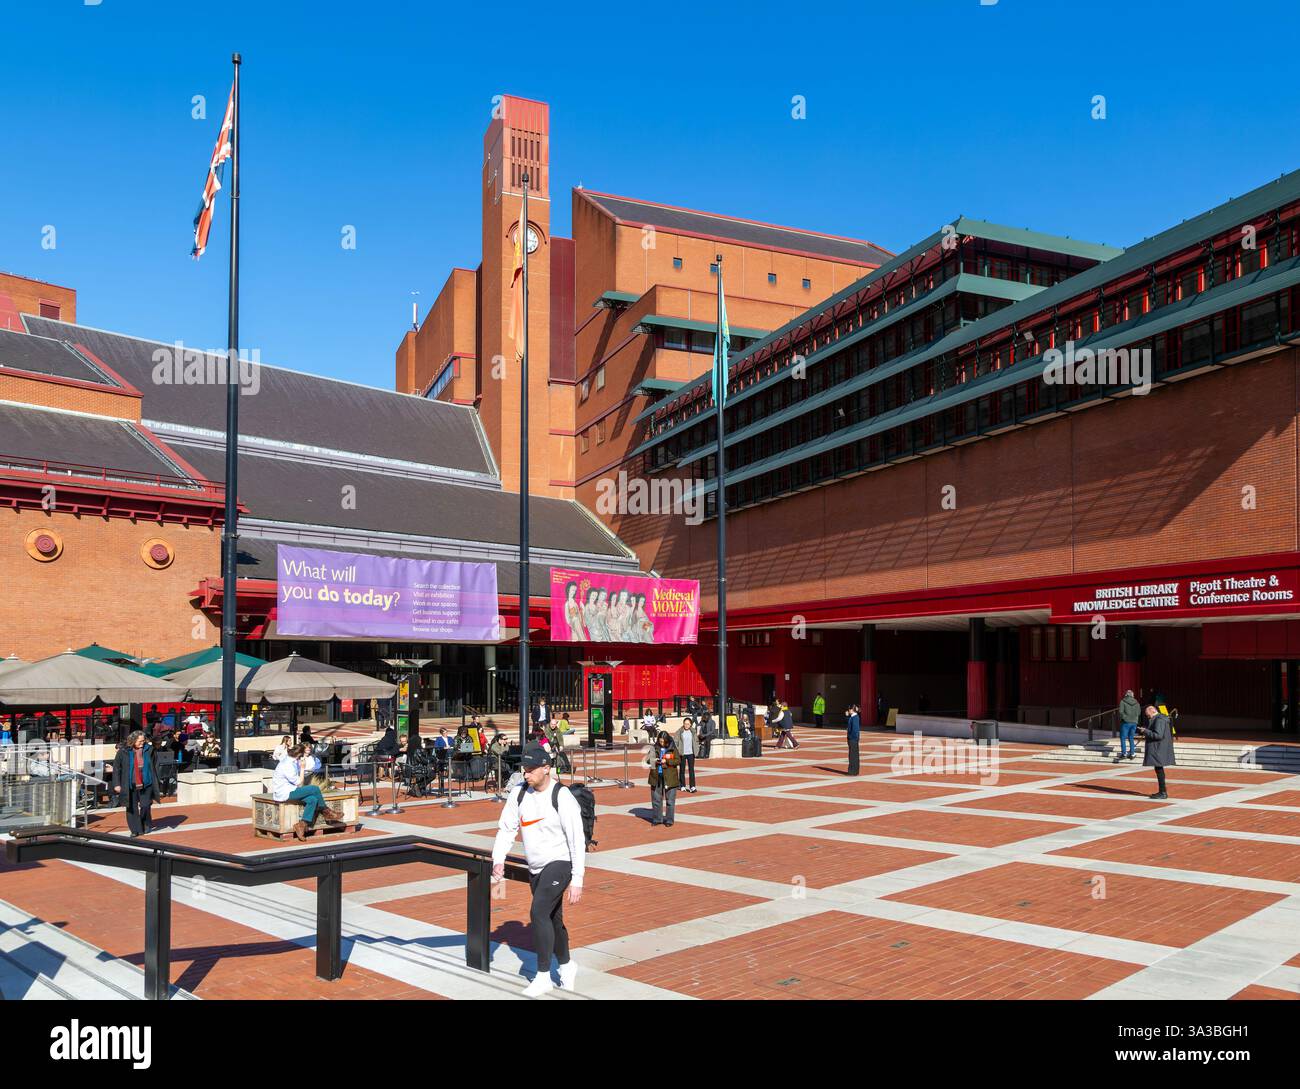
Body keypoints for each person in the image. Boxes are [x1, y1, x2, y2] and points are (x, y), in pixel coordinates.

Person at [492, 744, 585, 997]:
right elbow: (507, 829)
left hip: (561, 862)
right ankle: (567, 966)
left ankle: (542, 976)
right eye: (524, 769)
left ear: (547, 768)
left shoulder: (562, 796)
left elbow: (577, 840)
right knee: (553, 920)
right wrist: (498, 860)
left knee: (538, 912)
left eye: (531, 769)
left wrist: (577, 879)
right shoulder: (519, 794)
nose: (526, 774)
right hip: (536, 866)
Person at [271, 744, 343, 840]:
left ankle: (301, 825)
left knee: (313, 799)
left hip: (289, 789)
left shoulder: (288, 760)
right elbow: (299, 783)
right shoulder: (288, 765)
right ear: (299, 755)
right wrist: (302, 768)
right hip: (285, 793)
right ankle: (326, 811)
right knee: (314, 789)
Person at [112, 730, 161, 837]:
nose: (142, 743)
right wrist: (117, 784)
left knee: (145, 805)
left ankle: (145, 824)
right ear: (133, 740)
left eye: (143, 741)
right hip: (130, 783)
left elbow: (156, 765)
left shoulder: (150, 749)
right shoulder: (123, 751)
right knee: (131, 807)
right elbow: (116, 768)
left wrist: (157, 780)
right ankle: (135, 829)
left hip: (146, 782)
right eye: (140, 741)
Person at [1136, 704, 1176, 799]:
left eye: (1148, 714)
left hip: (1158, 749)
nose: (1147, 716)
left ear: (1153, 711)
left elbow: (1158, 735)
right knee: (1159, 770)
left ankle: (1163, 792)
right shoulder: (1160, 719)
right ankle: (1162, 791)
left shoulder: (1159, 720)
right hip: (1158, 749)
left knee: (1159, 771)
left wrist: (1145, 731)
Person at [645, 729, 680, 826]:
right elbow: (648, 760)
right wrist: (654, 760)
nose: (662, 743)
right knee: (656, 799)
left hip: (670, 777)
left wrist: (667, 761)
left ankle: (669, 820)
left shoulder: (673, 748)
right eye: (660, 741)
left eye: (663, 741)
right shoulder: (654, 748)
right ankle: (657, 819)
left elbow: (678, 760)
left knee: (670, 801)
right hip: (656, 776)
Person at [1116, 688, 1142, 763]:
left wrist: (1125, 718)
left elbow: (1120, 712)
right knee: (1131, 737)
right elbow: (1139, 713)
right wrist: (1134, 718)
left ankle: (1124, 753)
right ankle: (1132, 753)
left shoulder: (1123, 701)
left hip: (1126, 722)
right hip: (1134, 722)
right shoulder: (1137, 703)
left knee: (1123, 738)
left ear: (1126, 694)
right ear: (1132, 695)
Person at [675, 717, 698, 792]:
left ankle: (692, 786)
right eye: (685, 724)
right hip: (682, 753)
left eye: (688, 724)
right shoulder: (679, 731)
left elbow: (696, 741)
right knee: (682, 770)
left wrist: (696, 750)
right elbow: (676, 742)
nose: (686, 725)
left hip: (691, 753)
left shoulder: (693, 731)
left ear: (691, 724)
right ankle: (682, 785)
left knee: (691, 770)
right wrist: (678, 750)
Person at [846, 703, 861, 776]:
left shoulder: (855, 718)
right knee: (854, 755)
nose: (848, 711)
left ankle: (852, 771)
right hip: (853, 739)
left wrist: (850, 737)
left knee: (853, 756)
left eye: (849, 709)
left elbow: (855, 730)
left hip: (853, 739)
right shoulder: (853, 717)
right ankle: (854, 771)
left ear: (852, 710)